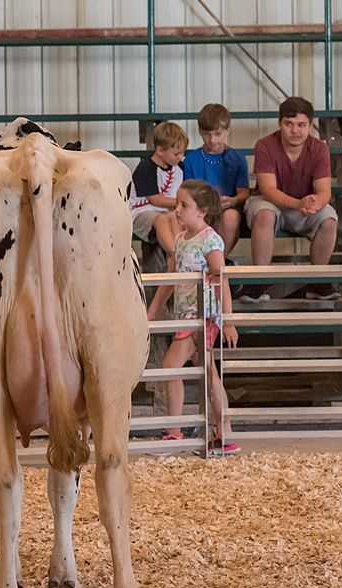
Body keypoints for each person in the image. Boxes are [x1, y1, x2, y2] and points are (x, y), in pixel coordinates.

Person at [147, 180, 240, 455]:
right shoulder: (180, 239)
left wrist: (228, 319)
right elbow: (171, 276)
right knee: (208, 373)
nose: (177, 210)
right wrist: (154, 308)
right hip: (186, 314)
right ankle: (224, 433)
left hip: (203, 315)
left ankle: (175, 431)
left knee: (171, 367)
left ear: (203, 211)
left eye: (184, 205)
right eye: (177, 204)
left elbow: (220, 278)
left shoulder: (210, 239)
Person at [240, 96, 339, 303]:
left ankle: (318, 281)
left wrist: (315, 203)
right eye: (289, 124)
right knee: (265, 213)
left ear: (310, 126)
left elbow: (324, 191)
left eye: (301, 125)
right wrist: (298, 203)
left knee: (329, 218)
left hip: (304, 206)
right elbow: (267, 190)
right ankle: (259, 281)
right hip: (269, 203)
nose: (295, 130)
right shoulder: (265, 145)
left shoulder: (319, 149)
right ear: (279, 124)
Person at [182, 103, 249, 258]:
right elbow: (187, 193)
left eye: (218, 134)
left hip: (227, 208)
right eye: (207, 134)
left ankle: (218, 262)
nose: (212, 139)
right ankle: (193, 261)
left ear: (227, 131)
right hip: (199, 209)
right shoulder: (192, 160)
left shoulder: (237, 159)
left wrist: (232, 201)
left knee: (230, 218)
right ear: (199, 132)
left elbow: (243, 194)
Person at [129, 120, 187, 257]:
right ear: (160, 150)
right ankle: (175, 255)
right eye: (176, 154)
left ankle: (181, 252)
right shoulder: (146, 168)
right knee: (161, 220)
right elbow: (155, 200)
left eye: (182, 153)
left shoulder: (179, 167)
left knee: (175, 218)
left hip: (166, 211)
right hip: (140, 212)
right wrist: (181, 202)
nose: (181, 157)